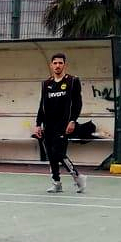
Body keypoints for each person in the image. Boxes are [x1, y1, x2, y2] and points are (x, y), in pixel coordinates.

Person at [33, 52, 86, 194]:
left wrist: (73, 120)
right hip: (48, 125)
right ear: (51, 65)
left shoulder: (73, 81)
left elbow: (77, 104)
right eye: (55, 63)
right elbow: (42, 105)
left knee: (59, 153)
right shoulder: (46, 84)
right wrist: (38, 124)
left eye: (60, 63)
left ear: (64, 65)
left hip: (63, 124)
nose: (57, 65)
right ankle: (56, 183)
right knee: (51, 154)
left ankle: (78, 177)